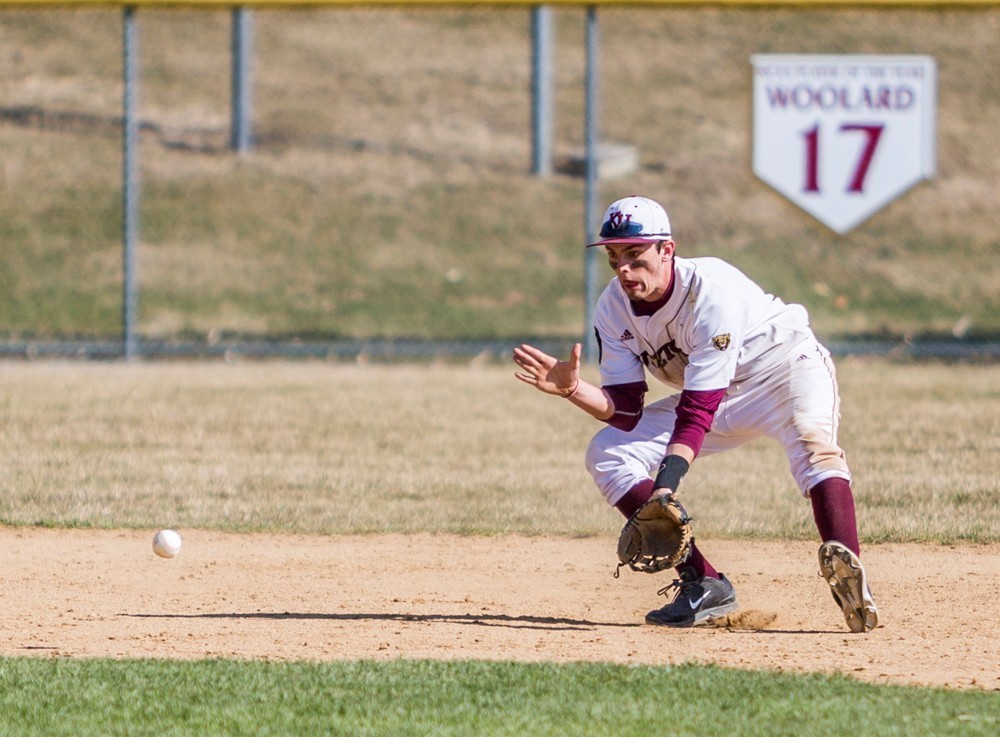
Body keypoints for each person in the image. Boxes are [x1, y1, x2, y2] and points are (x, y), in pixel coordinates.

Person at [512, 195, 878, 632]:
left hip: (784, 371)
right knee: (609, 452)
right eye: (614, 258)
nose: (624, 269)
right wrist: (574, 389)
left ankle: (847, 567)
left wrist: (664, 490)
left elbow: (697, 413)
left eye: (635, 254)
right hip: (713, 396)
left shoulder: (710, 293)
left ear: (667, 250)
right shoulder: (613, 308)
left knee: (813, 445)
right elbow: (627, 411)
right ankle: (703, 582)